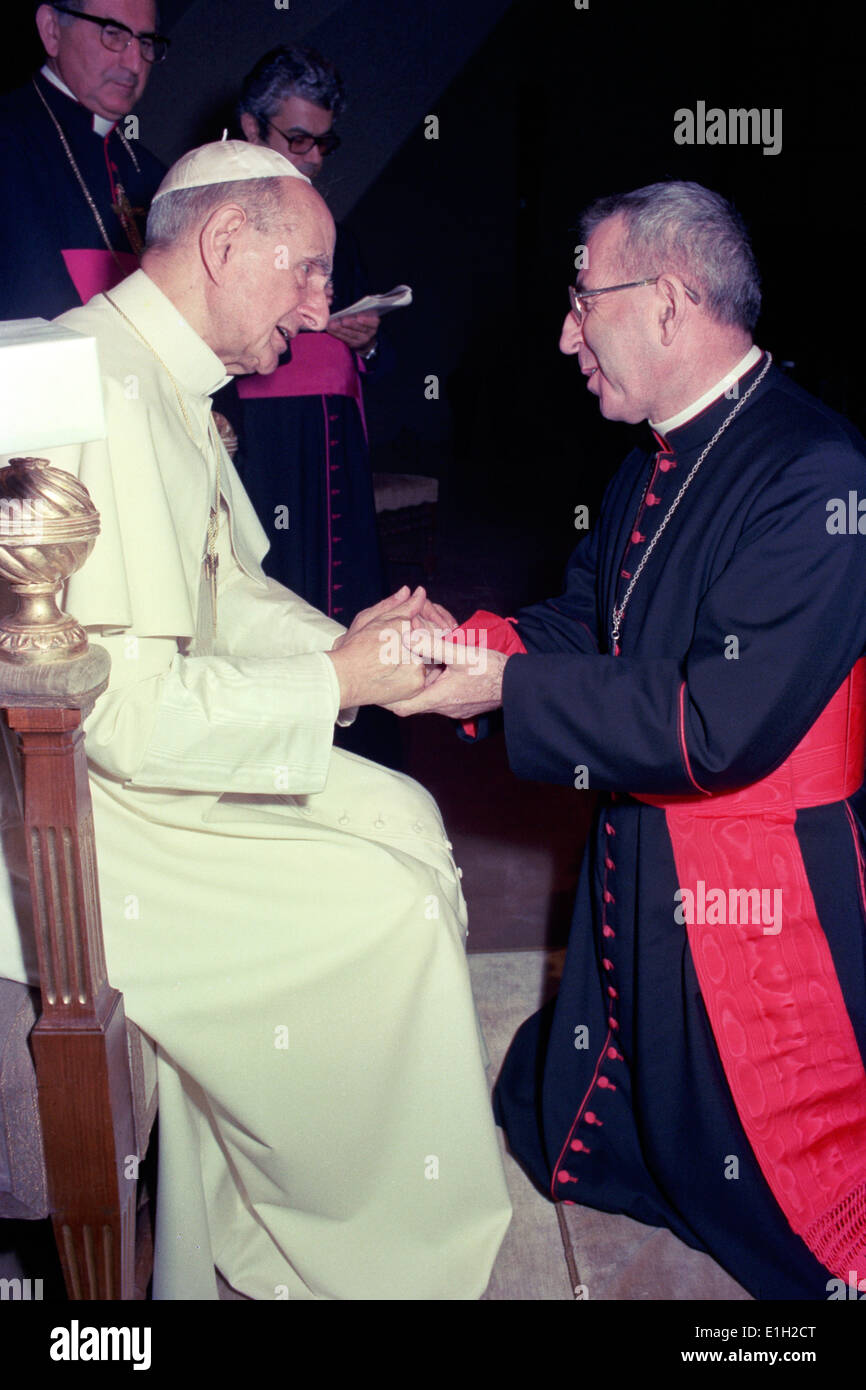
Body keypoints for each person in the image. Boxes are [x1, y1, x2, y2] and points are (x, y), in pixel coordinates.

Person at [0, 138, 511, 1301]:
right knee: (382, 903)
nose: (324, 311)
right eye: (313, 273)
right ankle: (363, 1256)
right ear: (226, 245)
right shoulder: (72, 382)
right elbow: (113, 715)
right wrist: (335, 684)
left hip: (135, 768)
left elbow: (219, 587)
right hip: (77, 823)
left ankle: (261, 1222)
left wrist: (365, 650)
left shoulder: (153, 372)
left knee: (401, 810)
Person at [390, 180, 866, 1300]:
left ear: (664, 302)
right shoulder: (651, 452)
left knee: (798, 1211)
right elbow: (590, 624)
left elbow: (715, 726)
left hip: (759, 887)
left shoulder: (817, 474)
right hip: (647, 845)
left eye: (579, 301)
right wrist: (460, 653)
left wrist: (507, 684)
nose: (563, 334)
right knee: (583, 1112)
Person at [233, 45, 386, 626]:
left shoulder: (335, 234)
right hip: (259, 439)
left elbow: (386, 361)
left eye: (324, 142)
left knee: (341, 601)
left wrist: (365, 340)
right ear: (252, 127)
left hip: (333, 441)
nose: (315, 159)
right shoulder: (214, 220)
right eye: (299, 140)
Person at [0, 1, 167, 320]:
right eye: (113, 33)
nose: (134, 63)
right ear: (51, 30)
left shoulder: (155, 174)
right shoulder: (9, 140)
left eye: (145, 42)